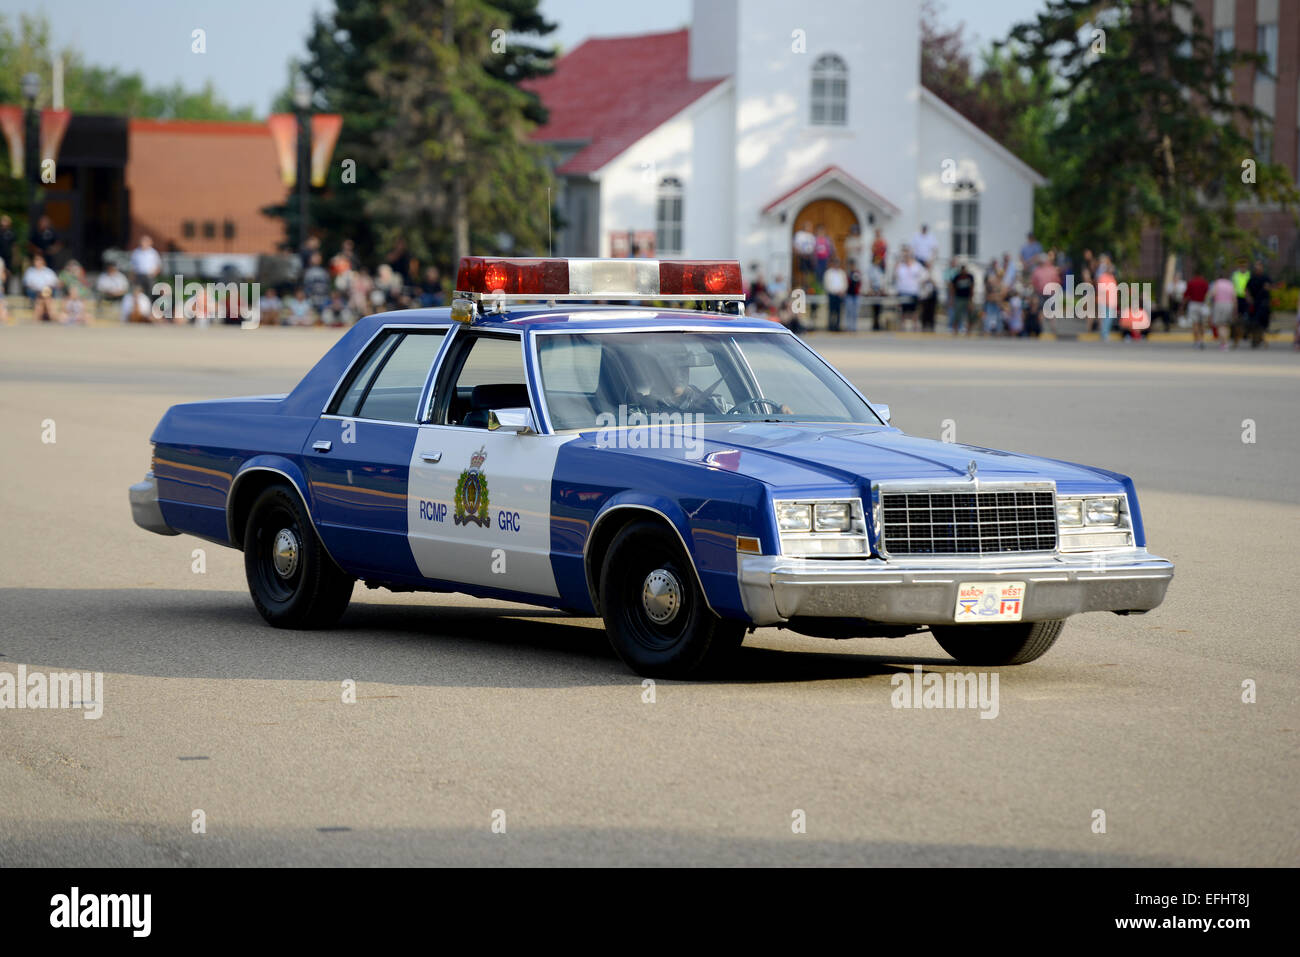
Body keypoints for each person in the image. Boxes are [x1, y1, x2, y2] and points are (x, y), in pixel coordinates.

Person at [894, 247, 926, 331]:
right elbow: (896, 276)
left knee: (914, 310)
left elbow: (924, 276)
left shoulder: (917, 265)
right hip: (903, 291)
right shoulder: (901, 266)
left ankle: (915, 326)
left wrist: (919, 283)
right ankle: (903, 326)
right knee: (903, 310)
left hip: (913, 291)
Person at [1244, 260, 1271, 349]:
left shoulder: (1266, 278)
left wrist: (1268, 287)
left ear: (1262, 268)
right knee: (1254, 322)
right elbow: (1246, 290)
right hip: (1254, 304)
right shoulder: (1252, 278)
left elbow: (1270, 287)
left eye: (1259, 266)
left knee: (1262, 324)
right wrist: (1249, 298)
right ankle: (1255, 339)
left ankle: (1259, 339)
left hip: (1263, 304)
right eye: (1256, 267)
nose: (1257, 268)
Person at [1184, 270, 1210, 348]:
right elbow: (1208, 294)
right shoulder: (1205, 283)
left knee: (1195, 324)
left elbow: (1186, 295)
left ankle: (1196, 341)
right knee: (1202, 324)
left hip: (1193, 304)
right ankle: (1202, 340)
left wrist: (1182, 306)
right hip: (1202, 304)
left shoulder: (1191, 282)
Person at [1208, 272, 1235, 351]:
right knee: (1226, 325)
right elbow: (1234, 296)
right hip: (1229, 305)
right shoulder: (1230, 284)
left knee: (1220, 325)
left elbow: (1212, 294)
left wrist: (1210, 304)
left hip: (1219, 304)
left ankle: (1223, 343)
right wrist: (1235, 308)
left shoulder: (1217, 284)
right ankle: (1226, 342)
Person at [1095, 259, 1118, 341]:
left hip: (1111, 302)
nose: (1112, 270)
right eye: (1111, 268)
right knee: (1105, 319)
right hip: (1103, 302)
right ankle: (1104, 334)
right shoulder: (1102, 277)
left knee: (1109, 319)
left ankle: (1105, 333)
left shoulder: (1112, 278)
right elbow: (1101, 289)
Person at [1230, 260, 1251, 346]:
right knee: (1237, 317)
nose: (1243, 267)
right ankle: (1235, 335)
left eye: (1244, 266)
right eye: (1241, 266)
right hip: (1238, 297)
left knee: (1247, 317)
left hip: (1246, 298)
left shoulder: (1249, 274)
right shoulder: (1235, 275)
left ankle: (1245, 333)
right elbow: (1232, 286)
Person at [950, 263, 975, 334]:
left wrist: (971, 300)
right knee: (957, 314)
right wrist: (952, 299)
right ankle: (955, 329)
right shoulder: (957, 277)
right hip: (959, 298)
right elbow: (952, 288)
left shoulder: (970, 277)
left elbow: (972, 288)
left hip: (967, 298)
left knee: (970, 314)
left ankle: (969, 329)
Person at [823, 257, 847, 331]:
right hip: (832, 294)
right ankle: (831, 326)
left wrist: (842, 291)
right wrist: (833, 291)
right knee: (831, 311)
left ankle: (837, 326)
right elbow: (826, 284)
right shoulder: (828, 273)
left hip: (840, 295)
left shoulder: (842, 273)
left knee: (839, 311)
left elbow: (845, 283)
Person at [792, 222, 815, 288]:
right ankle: (801, 285)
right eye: (807, 226)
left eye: (810, 227)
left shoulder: (811, 236)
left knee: (810, 272)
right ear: (804, 227)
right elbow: (796, 245)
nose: (808, 228)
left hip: (809, 256)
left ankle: (809, 286)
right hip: (801, 255)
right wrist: (798, 253)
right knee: (802, 271)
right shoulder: (799, 234)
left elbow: (813, 246)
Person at [844, 258, 862, 332]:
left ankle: (854, 326)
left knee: (855, 312)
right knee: (849, 311)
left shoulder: (857, 273)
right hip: (849, 294)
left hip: (856, 295)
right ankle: (848, 326)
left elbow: (859, 283)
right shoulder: (848, 273)